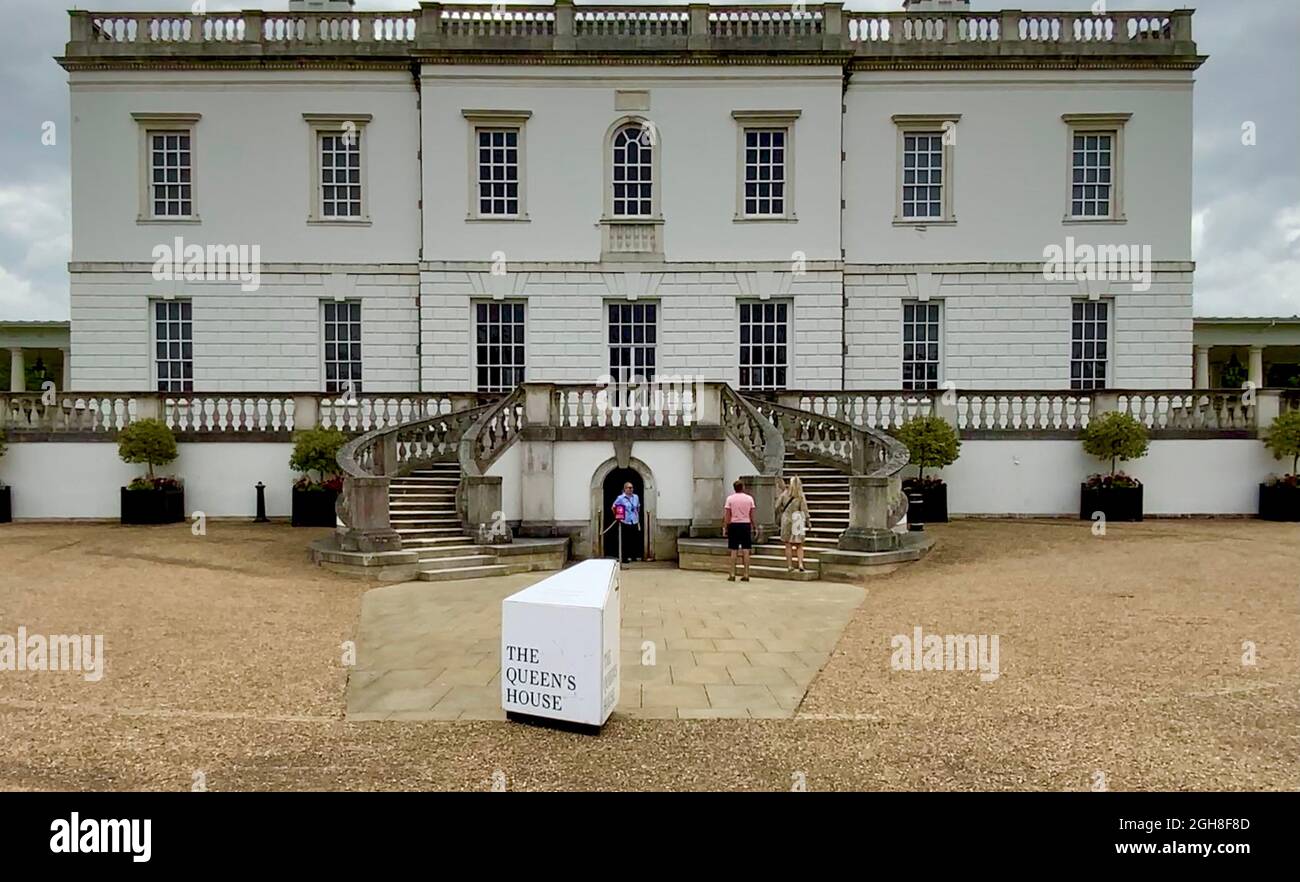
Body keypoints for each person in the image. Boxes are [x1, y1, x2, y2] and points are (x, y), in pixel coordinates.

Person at [723, 478, 756, 582]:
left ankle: (732, 573)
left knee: (734, 550)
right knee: (746, 549)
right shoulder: (749, 499)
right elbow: (752, 515)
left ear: (734, 488)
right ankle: (746, 573)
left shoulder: (730, 499)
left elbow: (727, 515)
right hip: (746, 524)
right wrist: (754, 526)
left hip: (734, 524)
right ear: (743, 488)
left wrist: (725, 527)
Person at [776, 475, 811, 572]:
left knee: (788, 544)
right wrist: (808, 521)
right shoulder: (800, 495)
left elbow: (777, 506)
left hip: (786, 519)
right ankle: (800, 564)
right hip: (798, 519)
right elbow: (804, 509)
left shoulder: (785, 494)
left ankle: (790, 566)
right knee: (799, 545)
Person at [611, 481, 642, 564]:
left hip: (634, 521)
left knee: (633, 539)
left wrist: (637, 514)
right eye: (629, 488)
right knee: (625, 540)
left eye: (632, 487)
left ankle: (633, 555)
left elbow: (638, 506)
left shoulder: (636, 497)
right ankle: (624, 557)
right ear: (625, 489)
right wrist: (618, 516)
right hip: (625, 521)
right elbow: (614, 507)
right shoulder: (620, 498)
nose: (631, 489)